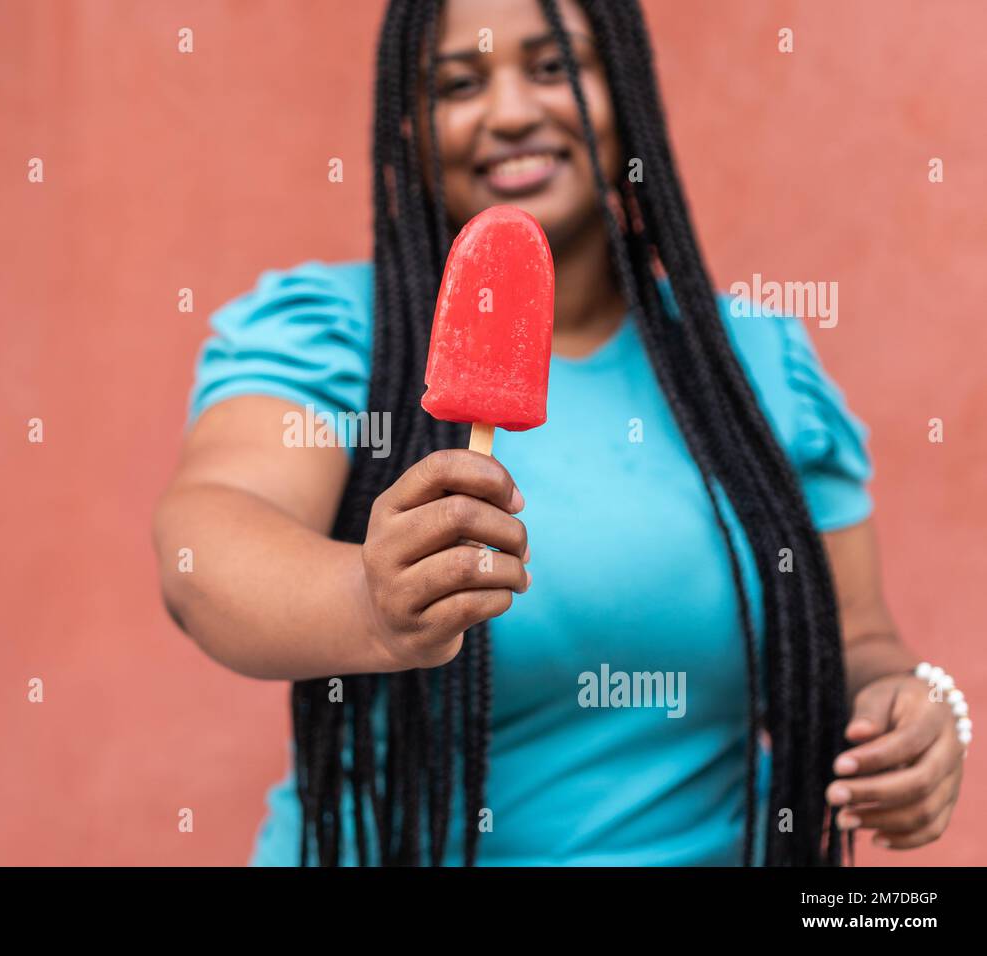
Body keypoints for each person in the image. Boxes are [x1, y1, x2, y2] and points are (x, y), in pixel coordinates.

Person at [153, 0, 968, 866]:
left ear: (625, 90)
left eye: (553, 68)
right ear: (410, 123)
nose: (509, 113)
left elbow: (855, 635)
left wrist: (905, 708)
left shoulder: (753, 363)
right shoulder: (337, 331)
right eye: (460, 83)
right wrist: (368, 601)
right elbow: (208, 541)